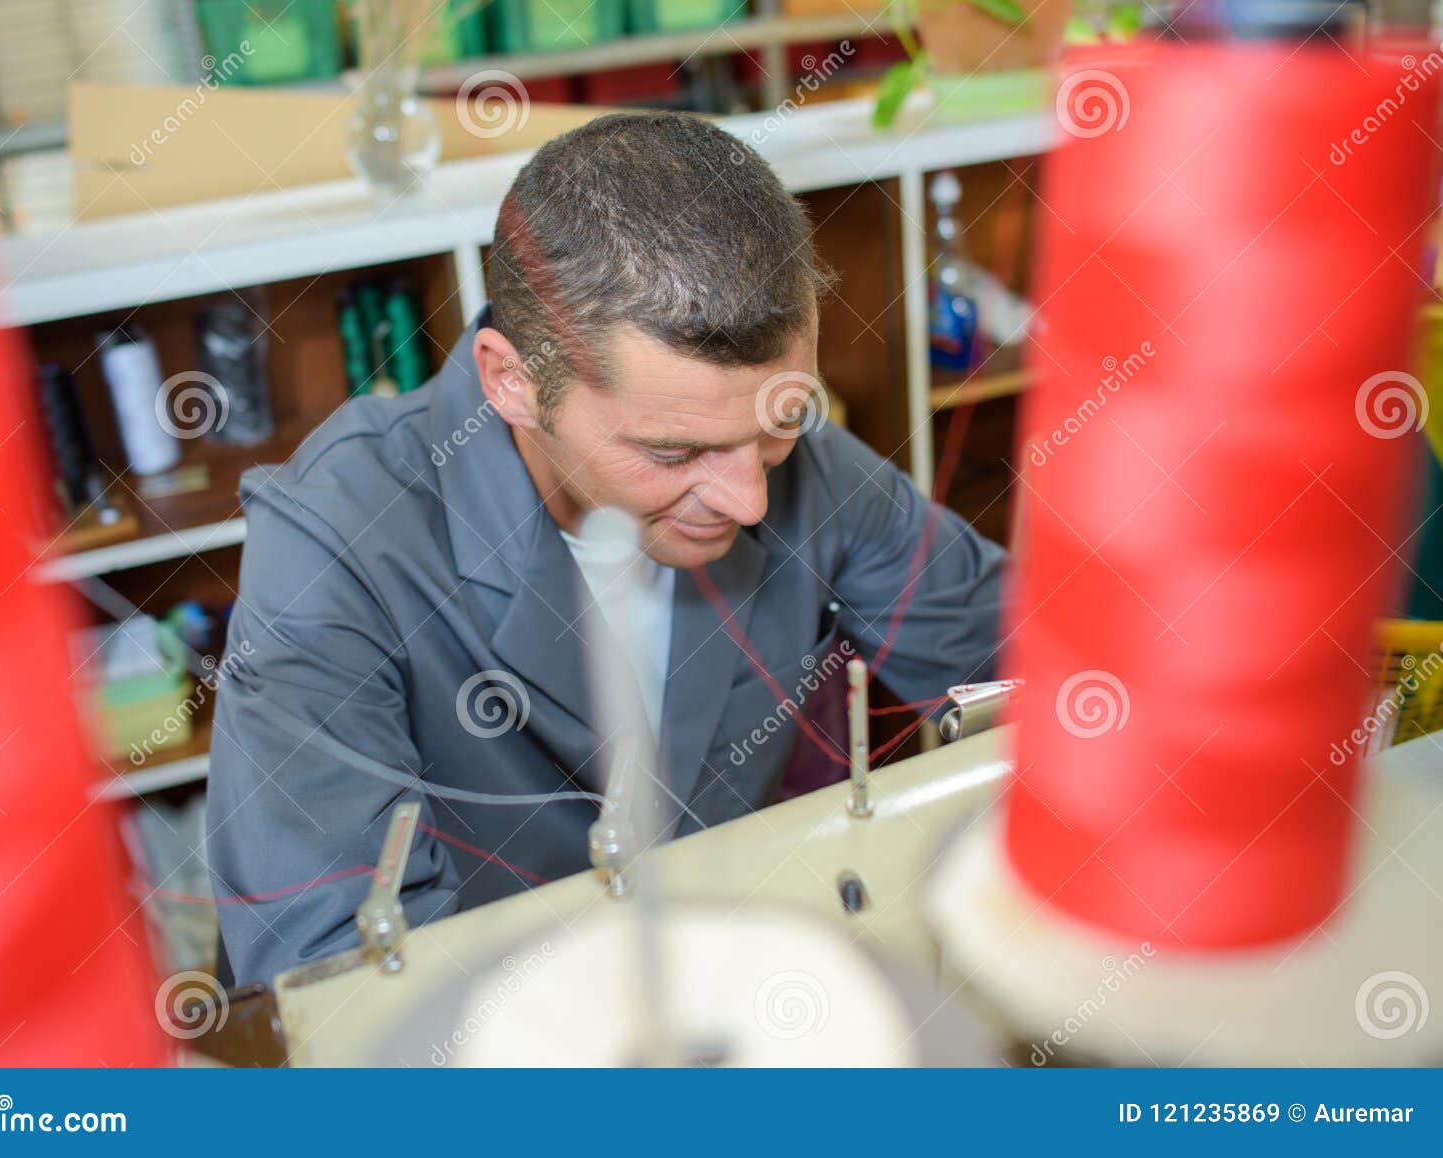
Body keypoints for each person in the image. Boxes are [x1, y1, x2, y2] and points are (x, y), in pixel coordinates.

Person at [207, 112, 1006, 986]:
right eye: (672, 453)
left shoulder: (794, 464)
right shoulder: (339, 546)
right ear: (512, 381)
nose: (751, 498)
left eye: (780, 421)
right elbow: (334, 978)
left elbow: (1028, 658)